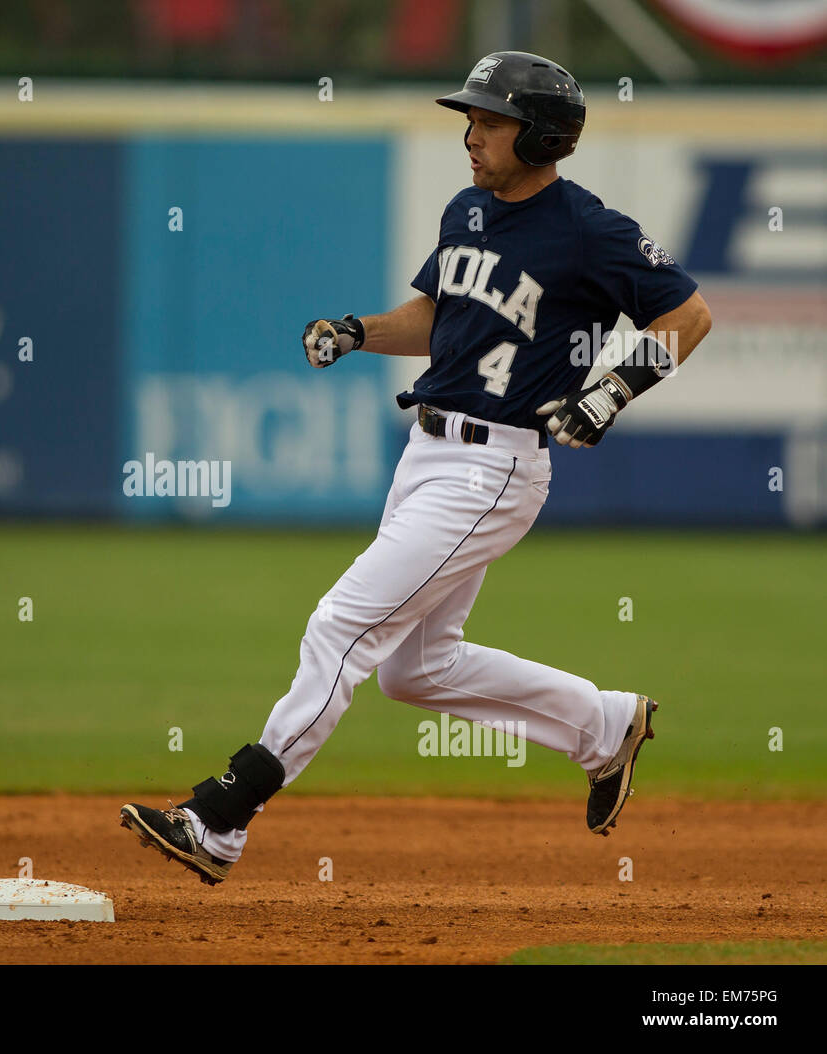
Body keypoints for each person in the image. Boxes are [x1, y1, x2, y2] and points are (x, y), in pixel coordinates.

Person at [120, 51, 712, 885]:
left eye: (491, 120)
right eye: (470, 117)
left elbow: (689, 312)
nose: (471, 134)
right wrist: (359, 331)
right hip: (427, 453)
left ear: (541, 135)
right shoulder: (468, 211)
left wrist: (611, 392)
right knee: (413, 668)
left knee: (340, 626)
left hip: (493, 469)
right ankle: (602, 724)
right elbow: (437, 320)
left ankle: (222, 817)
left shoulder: (587, 229)